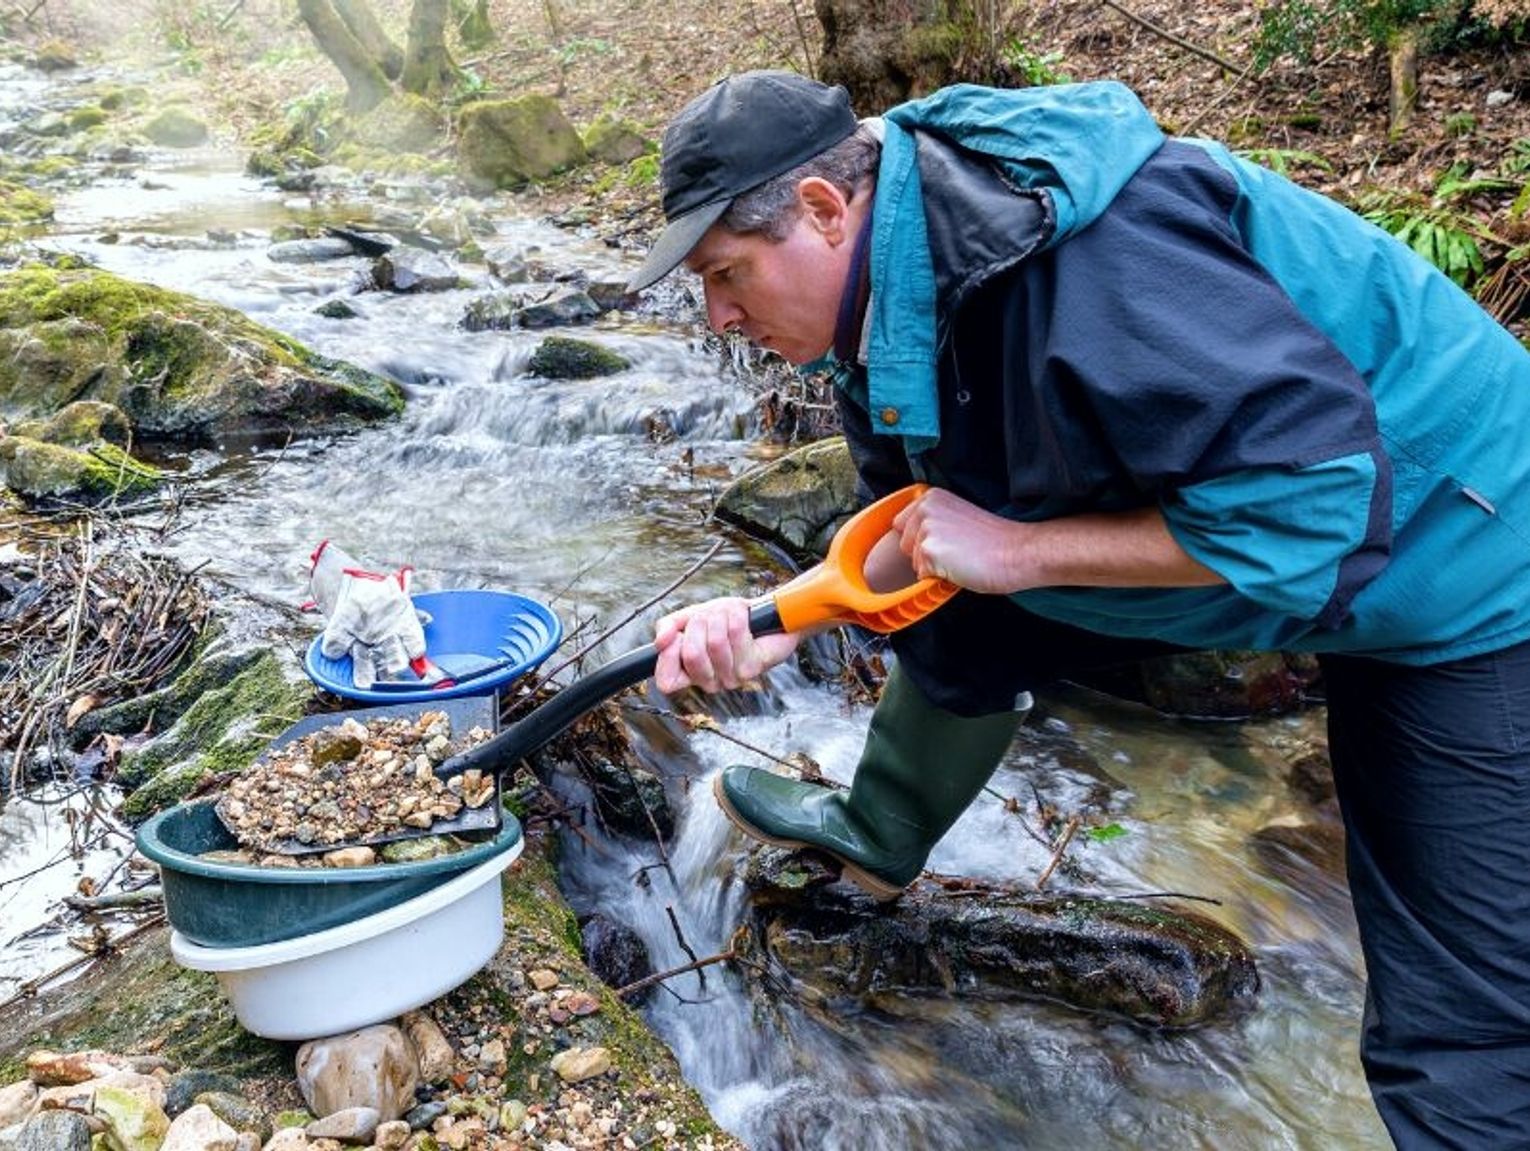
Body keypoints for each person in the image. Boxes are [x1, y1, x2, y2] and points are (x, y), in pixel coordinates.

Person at [625, 69, 1530, 1147]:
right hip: (1320, 557)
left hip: (1473, 562)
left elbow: (1314, 508)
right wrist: (773, 620)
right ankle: (884, 825)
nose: (719, 315)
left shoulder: (1095, 266)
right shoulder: (893, 288)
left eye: (728, 274)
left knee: (1457, 1034)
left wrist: (1023, 548)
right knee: (964, 562)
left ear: (825, 211)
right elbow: (912, 546)